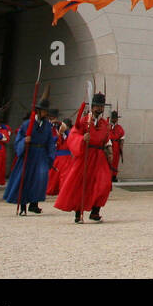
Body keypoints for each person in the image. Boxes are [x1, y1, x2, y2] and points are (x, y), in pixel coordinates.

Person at [55, 92, 115, 224]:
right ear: (92, 107)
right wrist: (82, 139)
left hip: (99, 156)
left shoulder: (105, 124)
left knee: (104, 183)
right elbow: (73, 135)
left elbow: (106, 139)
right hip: (86, 155)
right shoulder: (83, 121)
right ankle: (78, 212)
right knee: (81, 184)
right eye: (97, 106)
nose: (99, 109)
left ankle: (95, 211)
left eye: (101, 106)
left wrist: (109, 150)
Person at [3, 95, 57, 214]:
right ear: (38, 111)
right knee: (25, 178)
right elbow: (19, 138)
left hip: (41, 154)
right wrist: (24, 141)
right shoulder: (27, 124)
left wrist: (50, 157)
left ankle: (34, 203)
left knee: (40, 179)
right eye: (44, 111)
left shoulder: (47, 125)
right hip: (29, 153)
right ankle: (23, 206)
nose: (45, 113)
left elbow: (50, 142)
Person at [47, 119, 73, 196]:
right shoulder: (58, 136)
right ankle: (53, 189)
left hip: (66, 158)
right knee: (54, 175)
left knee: (65, 176)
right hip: (57, 158)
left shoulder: (69, 134)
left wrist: (59, 123)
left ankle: (64, 190)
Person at [107, 110, 126, 182]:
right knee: (108, 161)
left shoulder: (119, 128)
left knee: (115, 161)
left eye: (115, 118)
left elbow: (122, 138)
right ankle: (108, 175)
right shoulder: (107, 126)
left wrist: (121, 148)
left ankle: (113, 176)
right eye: (113, 118)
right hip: (109, 145)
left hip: (116, 147)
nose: (114, 119)